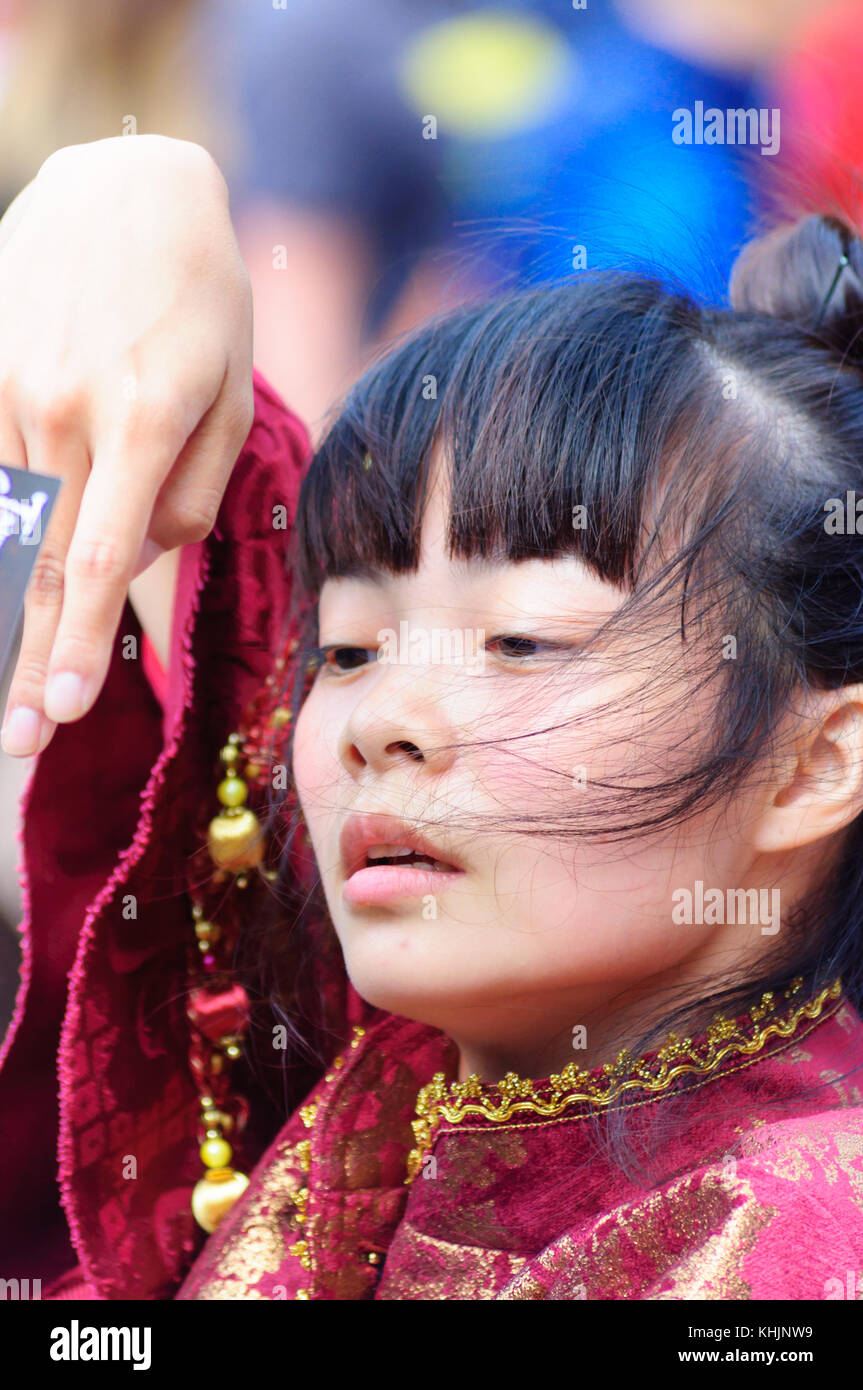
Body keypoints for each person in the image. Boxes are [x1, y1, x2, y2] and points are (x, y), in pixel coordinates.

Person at [1, 138, 863, 1299]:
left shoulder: (803, 1250)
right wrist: (127, 181)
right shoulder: (370, 1081)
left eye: (519, 640)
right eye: (346, 649)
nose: (375, 723)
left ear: (815, 761)